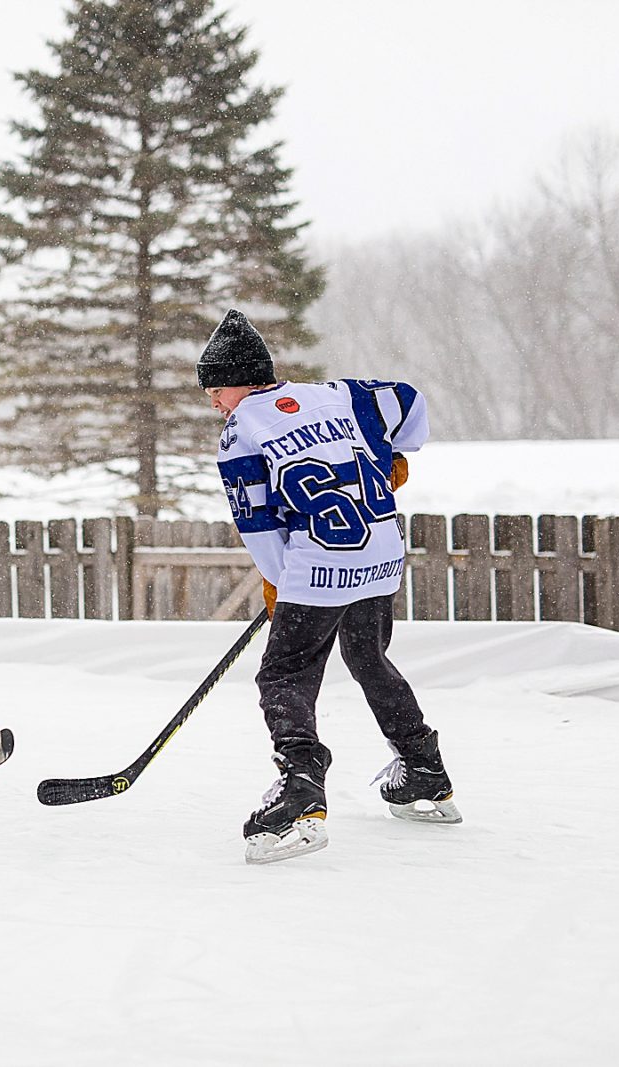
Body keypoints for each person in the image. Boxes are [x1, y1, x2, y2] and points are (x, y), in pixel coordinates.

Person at [198, 308, 462, 865]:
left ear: (243, 382)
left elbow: (259, 522)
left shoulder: (241, 431)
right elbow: (409, 400)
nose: (215, 403)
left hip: (318, 563)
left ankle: (299, 794)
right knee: (368, 655)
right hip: (381, 554)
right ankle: (423, 769)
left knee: (285, 673)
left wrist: (279, 581)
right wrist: (393, 452)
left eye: (217, 390)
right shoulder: (340, 394)